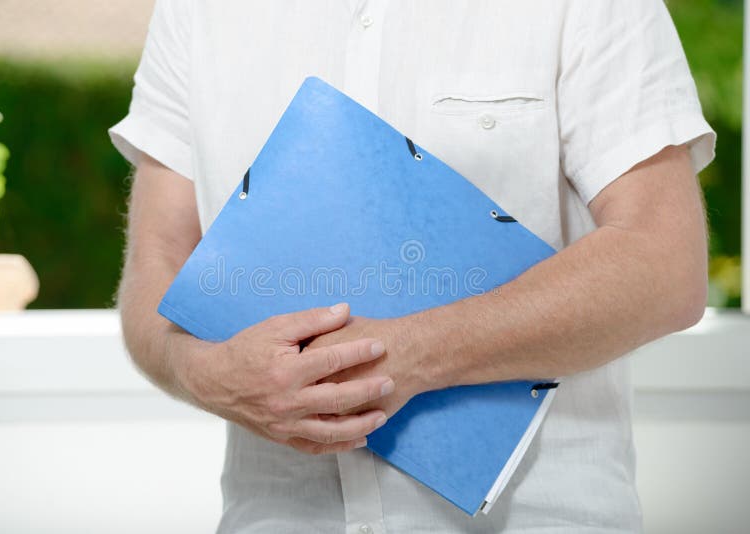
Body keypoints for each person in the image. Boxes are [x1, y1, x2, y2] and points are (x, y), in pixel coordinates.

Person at [109, 1, 715, 532]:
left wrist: (412, 355)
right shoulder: (198, 9)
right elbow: (157, 268)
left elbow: (664, 261)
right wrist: (201, 374)